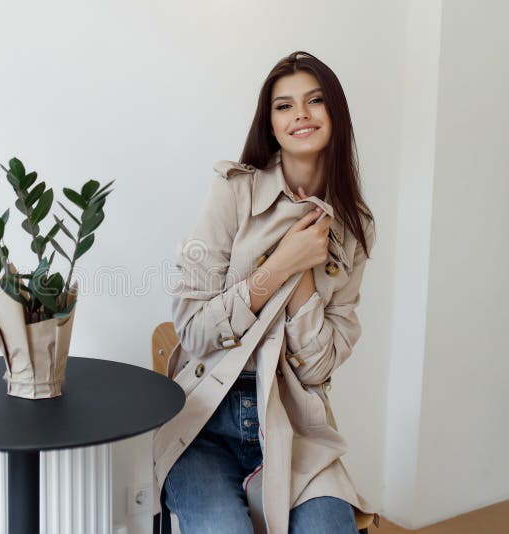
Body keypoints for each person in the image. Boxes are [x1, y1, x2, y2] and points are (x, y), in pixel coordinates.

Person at [155, 51, 378, 534]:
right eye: (284, 105)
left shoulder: (354, 228)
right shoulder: (232, 192)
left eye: (315, 101)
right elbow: (192, 330)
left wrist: (301, 281)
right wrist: (278, 266)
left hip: (295, 430)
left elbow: (320, 367)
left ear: (334, 113)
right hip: (205, 425)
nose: (300, 113)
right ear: (270, 123)